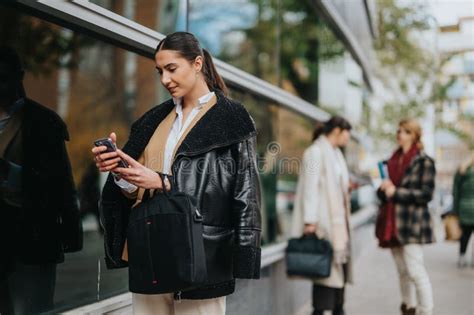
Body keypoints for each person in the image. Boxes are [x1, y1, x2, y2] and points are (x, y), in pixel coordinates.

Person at [92, 32, 262, 315]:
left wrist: (163, 181)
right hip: (150, 253)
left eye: (172, 69)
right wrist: (119, 172)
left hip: (204, 257)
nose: (164, 80)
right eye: (160, 71)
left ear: (197, 64)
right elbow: (137, 186)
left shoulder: (233, 118)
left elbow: (244, 192)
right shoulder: (151, 121)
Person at [0, 46, 83, 314]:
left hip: (31, 240)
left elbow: (60, 186)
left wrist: (8, 172)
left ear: (18, 76)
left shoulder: (43, 122)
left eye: (2, 78)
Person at [291, 116, 353, 315]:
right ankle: (320, 311)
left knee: (338, 269)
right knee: (324, 271)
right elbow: (310, 186)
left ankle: (338, 308)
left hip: (339, 223)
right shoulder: (315, 152)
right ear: (337, 131)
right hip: (324, 222)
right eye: (346, 134)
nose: (348, 139)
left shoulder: (336, 154)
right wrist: (310, 220)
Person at [376, 118, 436, 315]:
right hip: (391, 223)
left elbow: (426, 194)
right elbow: (385, 194)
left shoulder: (424, 161)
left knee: (416, 271)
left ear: (414, 135)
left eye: (405, 131)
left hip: (412, 224)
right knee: (402, 272)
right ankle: (408, 307)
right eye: (398, 130)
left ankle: (425, 311)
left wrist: (396, 192)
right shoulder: (391, 160)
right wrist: (383, 190)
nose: (399, 134)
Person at [452, 153, 474, 268]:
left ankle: (462, 257)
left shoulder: (462, 170)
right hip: (468, 207)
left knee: (465, 235)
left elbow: (456, 192)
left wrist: (455, 210)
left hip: (464, 208)